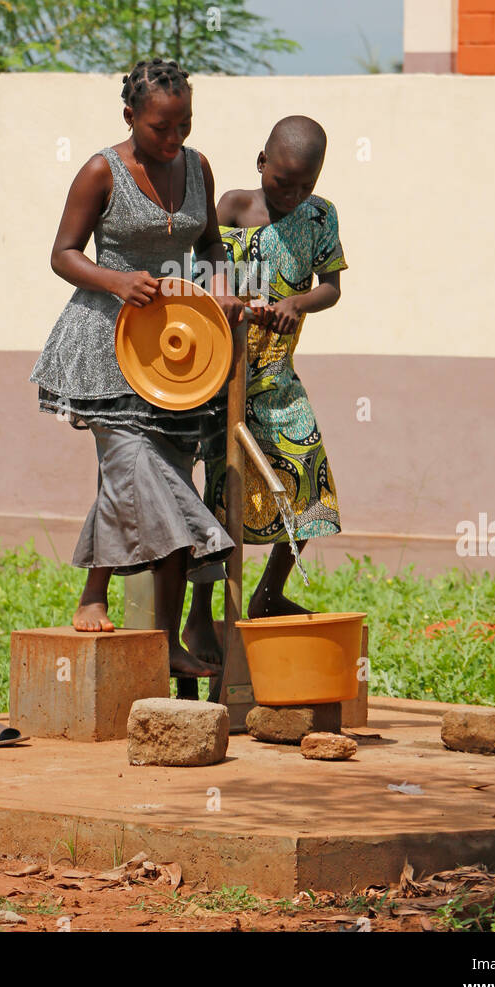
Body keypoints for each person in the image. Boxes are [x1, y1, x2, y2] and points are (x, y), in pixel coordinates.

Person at [30, 58, 242, 679]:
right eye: (159, 129)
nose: (173, 140)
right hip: (105, 343)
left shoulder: (198, 167)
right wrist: (118, 280)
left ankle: (154, 631)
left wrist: (222, 288)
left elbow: (208, 245)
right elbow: (63, 255)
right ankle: (106, 599)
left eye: (184, 126)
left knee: (158, 472)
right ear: (130, 117)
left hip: (181, 350)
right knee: (137, 469)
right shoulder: (102, 170)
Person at [185, 115, 347, 664]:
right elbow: (204, 273)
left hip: (278, 377)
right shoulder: (230, 207)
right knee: (220, 491)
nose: (294, 194)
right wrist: (233, 304)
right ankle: (200, 617)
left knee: (307, 476)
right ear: (261, 164)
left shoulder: (321, 218)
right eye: (283, 183)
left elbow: (330, 288)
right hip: (223, 376)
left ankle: (270, 592)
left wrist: (295, 305)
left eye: (306, 184)